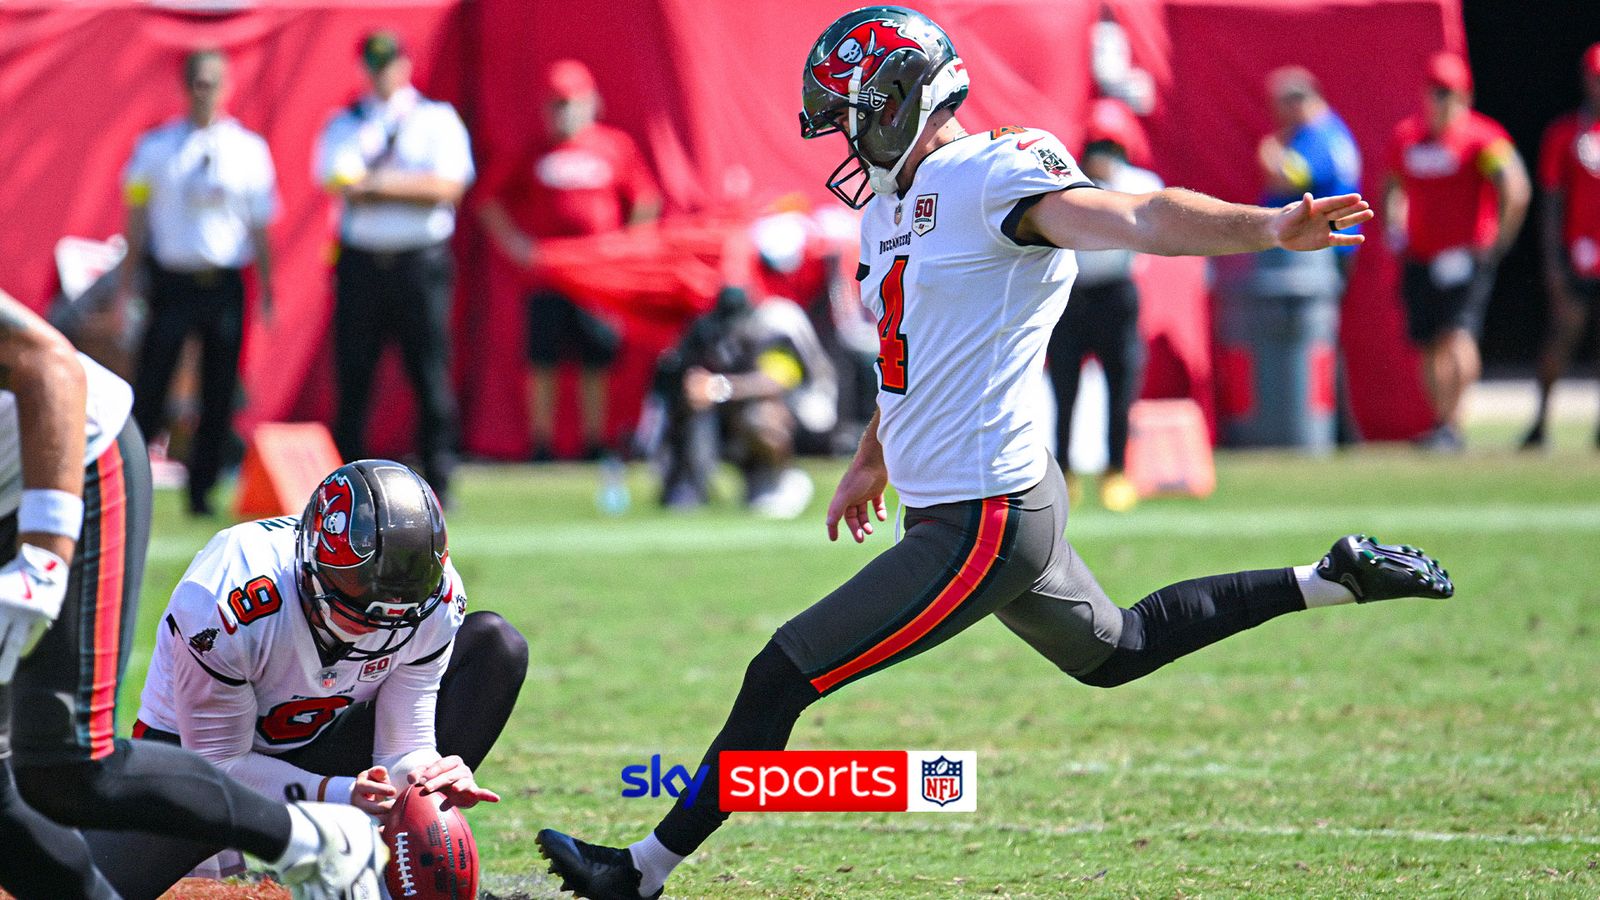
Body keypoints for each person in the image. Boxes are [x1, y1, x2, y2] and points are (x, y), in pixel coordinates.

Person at [534, 8, 1455, 899]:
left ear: (898, 100)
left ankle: (641, 871)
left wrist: (1263, 226)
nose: (847, 147)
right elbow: (914, 356)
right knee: (1118, 650)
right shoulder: (887, 209)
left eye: (852, 121)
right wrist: (871, 456)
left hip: (983, 516)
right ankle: (1332, 578)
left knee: (780, 673)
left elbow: (1137, 219)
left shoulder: (994, 173)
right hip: (980, 502)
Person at [0, 289, 386, 900]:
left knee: (68, 763)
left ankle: (315, 838)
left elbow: (48, 362)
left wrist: (44, 561)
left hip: (70, 461)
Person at [83, 459, 529, 899]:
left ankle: (386, 864)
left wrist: (426, 777)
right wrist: (340, 794)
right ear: (309, 562)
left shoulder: (435, 600)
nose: (376, 623)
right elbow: (219, 766)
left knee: (496, 646)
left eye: (398, 604)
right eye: (356, 592)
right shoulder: (228, 598)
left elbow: (402, 747)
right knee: (84, 888)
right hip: (192, 766)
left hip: (316, 738)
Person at [118, 48, 278, 516]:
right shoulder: (157, 147)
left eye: (213, 82)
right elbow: (137, 221)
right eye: (197, 82)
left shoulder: (248, 149)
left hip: (224, 279)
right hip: (172, 279)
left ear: (227, 87)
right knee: (152, 382)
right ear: (185, 87)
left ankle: (201, 488)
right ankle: (130, 480)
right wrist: (128, 287)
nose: (204, 92)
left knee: (219, 386)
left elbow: (261, 226)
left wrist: (269, 288)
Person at [316, 31, 474, 501]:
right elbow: (337, 180)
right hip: (363, 263)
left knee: (429, 373)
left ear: (405, 65)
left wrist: (379, 186)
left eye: (390, 64)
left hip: (418, 263)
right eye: (373, 64)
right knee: (354, 377)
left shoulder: (435, 119)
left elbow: (447, 187)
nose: (382, 74)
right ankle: (346, 486)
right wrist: (408, 185)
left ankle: (440, 479)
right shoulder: (347, 121)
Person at [478, 59, 662, 461]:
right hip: (549, 273)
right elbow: (489, 201)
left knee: (595, 359)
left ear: (590, 103)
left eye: (571, 104)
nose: (564, 114)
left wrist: (626, 249)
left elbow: (646, 200)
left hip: (598, 276)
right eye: (556, 105)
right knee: (542, 359)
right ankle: (541, 443)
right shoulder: (535, 151)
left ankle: (595, 440)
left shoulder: (614, 146)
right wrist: (517, 245)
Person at [1383, 52, 1530, 452]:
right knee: (1428, 342)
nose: (1442, 101)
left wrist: (1497, 241)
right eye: (1436, 92)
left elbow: (1515, 187)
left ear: (1465, 96)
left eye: (1450, 93)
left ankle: (1456, 420)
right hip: (1420, 254)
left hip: (1464, 255)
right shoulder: (1408, 136)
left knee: (1459, 335)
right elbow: (1392, 186)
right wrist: (1394, 227)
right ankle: (1441, 422)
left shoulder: (1483, 138)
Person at [1046, 98, 1162, 512]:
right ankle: (1064, 470)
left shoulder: (1139, 182)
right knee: (1064, 388)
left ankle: (1116, 469)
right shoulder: (1063, 182)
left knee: (1121, 383)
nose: (1103, 157)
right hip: (1072, 294)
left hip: (1116, 293)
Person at [655, 285, 835, 518]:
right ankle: (688, 485)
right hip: (729, 418)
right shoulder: (709, 331)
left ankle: (780, 478)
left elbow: (776, 381)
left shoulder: (772, 328)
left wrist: (720, 388)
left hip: (797, 415)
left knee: (761, 416)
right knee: (691, 409)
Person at [1258, 66, 1364, 446]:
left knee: (1314, 339)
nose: (1276, 115)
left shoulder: (1319, 135)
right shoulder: (1325, 132)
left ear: (1298, 100)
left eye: (1280, 105)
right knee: (1320, 338)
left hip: (1319, 249)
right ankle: (1336, 429)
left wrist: (1270, 151)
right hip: (1320, 247)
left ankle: (1332, 429)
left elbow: (1288, 177)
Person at [1522, 42, 1600, 450]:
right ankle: (1540, 421)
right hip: (1579, 254)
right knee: (1563, 335)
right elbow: (1551, 200)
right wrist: (1554, 262)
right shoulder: (1565, 133)